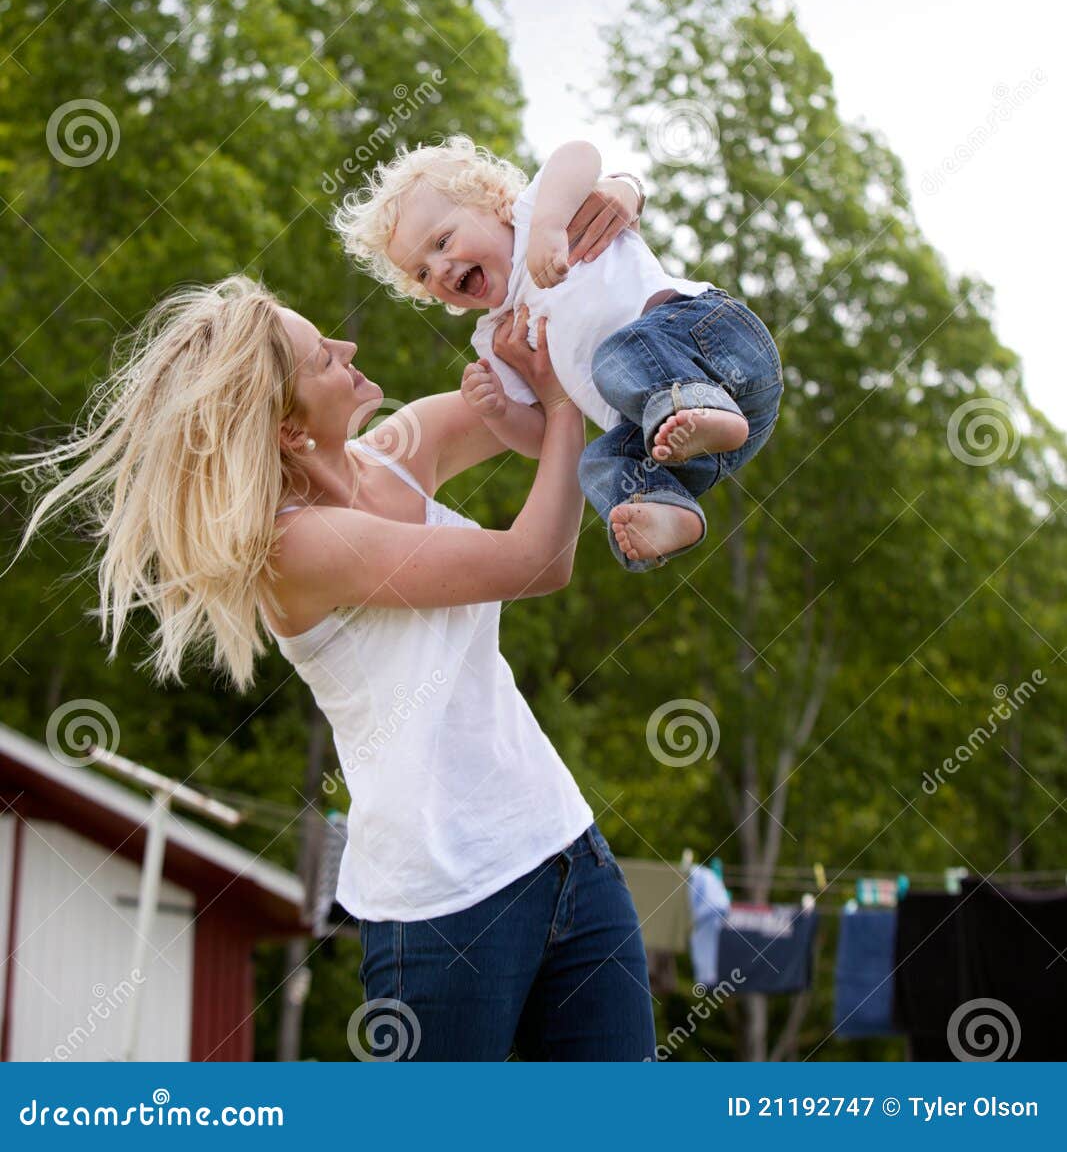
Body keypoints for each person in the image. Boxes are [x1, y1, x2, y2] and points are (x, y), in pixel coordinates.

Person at [10, 273, 657, 1062]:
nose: (348, 349)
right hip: (443, 907)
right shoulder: (298, 549)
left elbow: (562, 373)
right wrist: (555, 412)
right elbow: (535, 561)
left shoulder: (401, 450)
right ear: (287, 429)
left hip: (565, 847)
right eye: (323, 357)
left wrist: (565, 258)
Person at [334, 135, 784, 571]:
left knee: (616, 357)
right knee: (598, 463)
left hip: (713, 341)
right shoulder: (496, 337)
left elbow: (579, 154)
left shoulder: (537, 219)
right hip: (690, 441)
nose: (440, 269)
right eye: (422, 271)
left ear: (494, 203)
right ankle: (667, 509)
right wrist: (498, 411)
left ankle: (699, 405)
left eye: (443, 242)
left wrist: (550, 224)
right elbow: (540, 437)